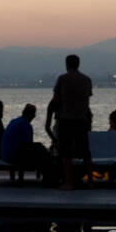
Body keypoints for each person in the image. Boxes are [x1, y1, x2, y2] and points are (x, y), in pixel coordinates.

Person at [45, 54, 93, 191]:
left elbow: (56, 98)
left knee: (65, 153)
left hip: (66, 119)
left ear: (66, 64)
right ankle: (90, 181)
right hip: (82, 119)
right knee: (85, 152)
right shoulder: (86, 80)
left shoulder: (62, 79)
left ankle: (68, 182)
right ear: (78, 64)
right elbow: (87, 99)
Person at [0, 103, 50, 175]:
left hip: (5, 155)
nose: (34, 116)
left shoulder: (14, 121)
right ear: (32, 115)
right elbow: (28, 145)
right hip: (12, 157)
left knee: (39, 148)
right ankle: (49, 175)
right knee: (40, 149)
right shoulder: (26, 125)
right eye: (33, 114)